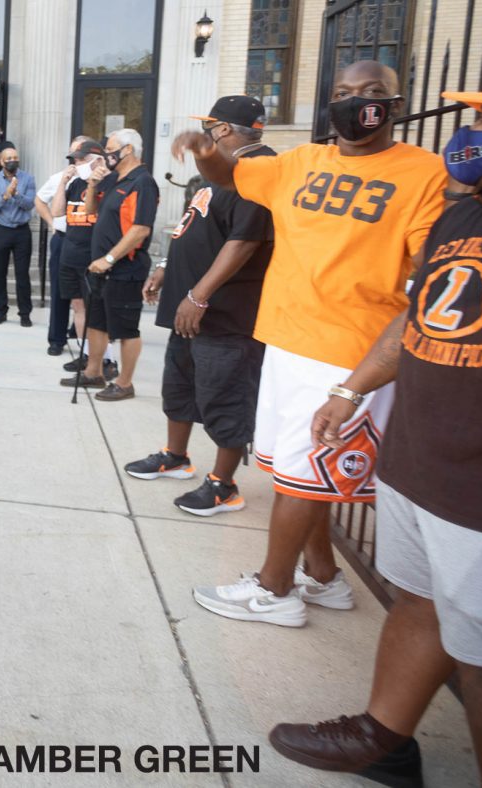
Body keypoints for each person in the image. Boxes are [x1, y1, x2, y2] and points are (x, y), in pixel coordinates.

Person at [268, 63, 482, 788]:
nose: (470, 133)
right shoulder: (466, 210)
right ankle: (384, 739)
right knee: (418, 601)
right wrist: (351, 389)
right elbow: (418, 312)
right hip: (422, 458)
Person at [174, 61, 446, 627]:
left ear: (395, 105)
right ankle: (322, 576)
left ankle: (274, 590)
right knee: (301, 475)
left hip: (345, 353)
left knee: (303, 476)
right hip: (286, 339)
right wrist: (204, 153)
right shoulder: (301, 162)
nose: (356, 101)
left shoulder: (424, 174)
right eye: (344, 92)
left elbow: (432, 275)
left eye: (372, 92)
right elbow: (232, 177)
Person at [126, 97, 274, 517]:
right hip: (190, 310)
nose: (207, 133)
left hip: (225, 315)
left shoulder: (259, 169)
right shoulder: (223, 170)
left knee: (225, 399)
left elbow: (244, 241)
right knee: (179, 389)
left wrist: (198, 296)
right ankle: (176, 457)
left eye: (210, 126)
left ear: (223, 129)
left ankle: (224, 486)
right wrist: (166, 268)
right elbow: (199, 228)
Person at [73, 128, 158, 401]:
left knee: (125, 328)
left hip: (125, 268)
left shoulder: (143, 182)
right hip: (100, 268)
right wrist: (92, 184)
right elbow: (90, 210)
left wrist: (109, 258)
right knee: (97, 322)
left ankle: (124, 383)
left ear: (128, 149)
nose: (107, 155)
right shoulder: (113, 179)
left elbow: (140, 229)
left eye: (111, 150)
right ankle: (94, 372)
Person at [52, 139, 112, 371]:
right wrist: (63, 182)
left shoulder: (108, 183)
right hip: (70, 253)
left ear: (97, 160)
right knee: (78, 306)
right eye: (74, 161)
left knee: (97, 310)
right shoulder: (75, 183)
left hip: (93, 256)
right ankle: (86, 355)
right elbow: (57, 211)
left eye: (81, 160)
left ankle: (106, 358)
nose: (76, 165)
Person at [36, 137, 92, 354]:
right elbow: (40, 200)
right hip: (64, 238)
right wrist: (51, 223)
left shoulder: (99, 180)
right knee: (60, 291)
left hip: (88, 241)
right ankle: (56, 339)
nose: (76, 159)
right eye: (73, 154)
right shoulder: (60, 178)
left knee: (86, 296)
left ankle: (81, 335)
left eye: (81, 154)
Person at [0, 147, 36, 326]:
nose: (13, 160)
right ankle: (0, 311)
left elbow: (30, 204)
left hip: (22, 231)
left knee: (22, 275)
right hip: (1, 230)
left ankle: (25, 314)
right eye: (9, 158)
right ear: (1, 162)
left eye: (15, 157)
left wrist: (16, 194)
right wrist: (4, 197)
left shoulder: (28, 178)